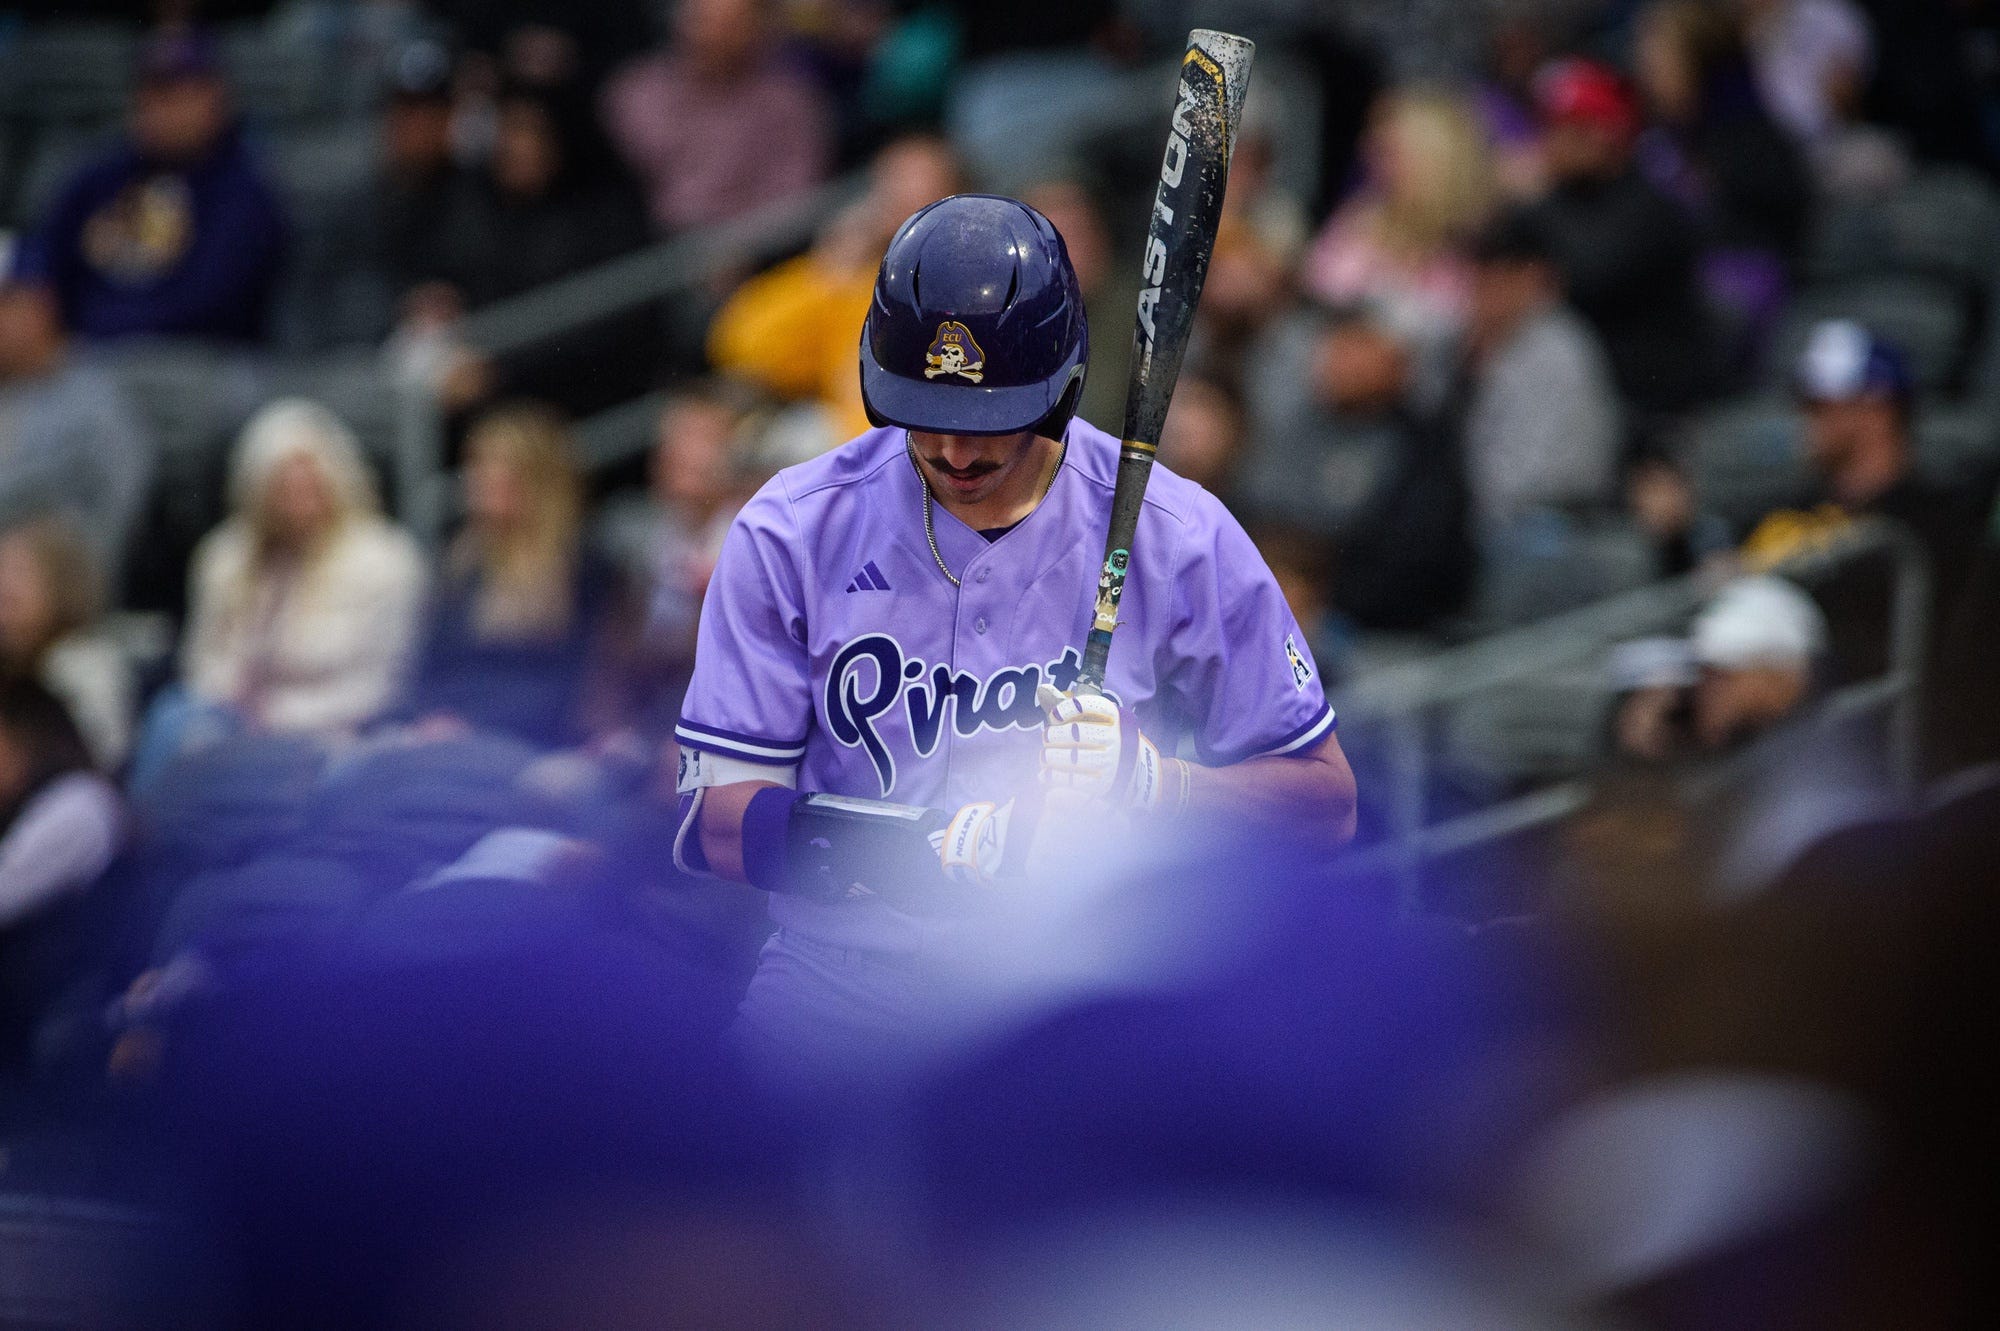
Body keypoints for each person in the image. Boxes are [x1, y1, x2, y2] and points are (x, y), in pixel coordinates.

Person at [671, 195, 1357, 1090]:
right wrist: (907, 849)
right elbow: (709, 819)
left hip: (1084, 983)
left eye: (989, 416)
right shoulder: (793, 529)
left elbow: (1327, 808)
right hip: (840, 984)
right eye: (924, 412)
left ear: (1059, 383)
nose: (954, 449)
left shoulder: (1176, 533)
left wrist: (1155, 784)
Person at [142, 401, 426, 783]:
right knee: (173, 716)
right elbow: (204, 661)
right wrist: (235, 706)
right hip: (234, 720)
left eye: (308, 482)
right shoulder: (228, 556)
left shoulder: (385, 560)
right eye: (282, 484)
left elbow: (385, 683)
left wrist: (279, 715)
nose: (297, 497)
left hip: (335, 730)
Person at [9, 29, 286, 345]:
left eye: (178, 94)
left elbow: (209, 302)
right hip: (83, 357)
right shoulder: (101, 176)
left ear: (216, 97)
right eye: (152, 93)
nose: (162, 110)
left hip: (198, 362)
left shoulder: (244, 192)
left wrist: (87, 333)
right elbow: (42, 252)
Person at [707, 133, 962, 443]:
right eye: (894, 189)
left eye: (923, 189)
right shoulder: (858, 286)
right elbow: (743, 346)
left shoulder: (977, 287)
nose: (906, 204)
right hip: (855, 454)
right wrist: (827, 269)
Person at [405, 403, 616, 750]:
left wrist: (472, 724)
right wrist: (428, 719)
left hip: (534, 743)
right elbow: (429, 669)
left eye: (499, 465)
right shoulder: (461, 563)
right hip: (446, 734)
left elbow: (581, 686)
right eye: (477, 463)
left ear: (539, 480)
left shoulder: (582, 566)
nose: (481, 477)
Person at [1524, 58, 1722, 421]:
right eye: (1549, 127)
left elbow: (1587, 274)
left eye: (1570, 128)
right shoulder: (1564, 201)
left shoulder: (1651, 206)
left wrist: (1533, 198)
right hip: (1596, 400)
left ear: (1608, 131)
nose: (1552, 142)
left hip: (1659, 407)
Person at [599, 0, 832, 234]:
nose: (711, 35)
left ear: (758, 31)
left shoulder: (790, 99)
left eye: (731, 25)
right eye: (703, 21)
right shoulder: (634, 94)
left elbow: (797, 193)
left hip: (773, 243)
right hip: (669, 247)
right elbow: (659, 193)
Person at [1460, 208, 1623, 541]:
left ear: (1532, 278)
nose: (1482, 296)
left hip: (1556, 527)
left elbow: (1541, 480)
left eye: (1496, 280)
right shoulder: (1493, 344)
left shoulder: (1558, 348)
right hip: (1504, 523)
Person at [0, 279, 152, 576]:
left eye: (5, 306)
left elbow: (123, 495)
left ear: (40, 309)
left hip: (58, 581)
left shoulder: (96, 397)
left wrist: (82, 580)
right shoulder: (10, 394)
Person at [0, 518, 135, 771]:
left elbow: (99, 760)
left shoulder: (85, 666)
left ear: (62, 585)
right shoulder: (14, 664)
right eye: (2, 569)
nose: (5, 586)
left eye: (19, 572)